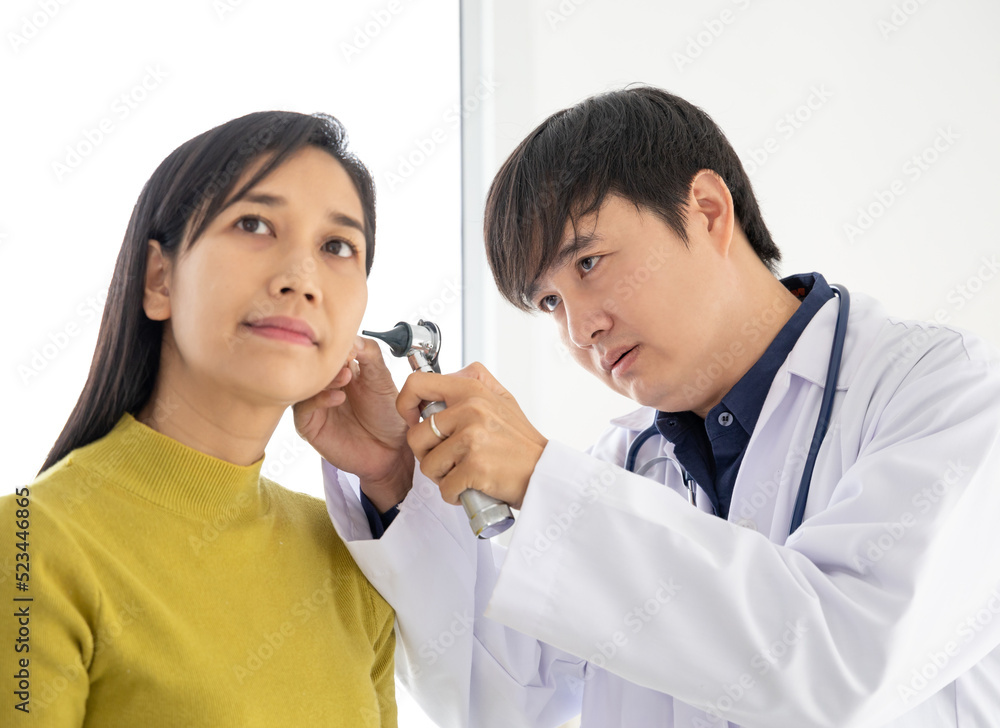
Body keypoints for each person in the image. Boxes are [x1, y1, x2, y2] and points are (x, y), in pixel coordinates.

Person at [306, 87, 1000, 727]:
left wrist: (543, 479)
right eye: (550, 303)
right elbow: (506, 697)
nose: (579, 331)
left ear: (707, 211)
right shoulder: (628, 464)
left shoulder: (949, 395)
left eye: (588, 264)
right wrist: (396, 479)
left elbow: (843, 666)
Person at [2, 112, 398, 726]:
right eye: (255, 224)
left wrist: (395, 476)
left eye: (338, 246)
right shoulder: (29, 544)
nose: (302, 279)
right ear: (159, 278)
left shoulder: (346, 558)